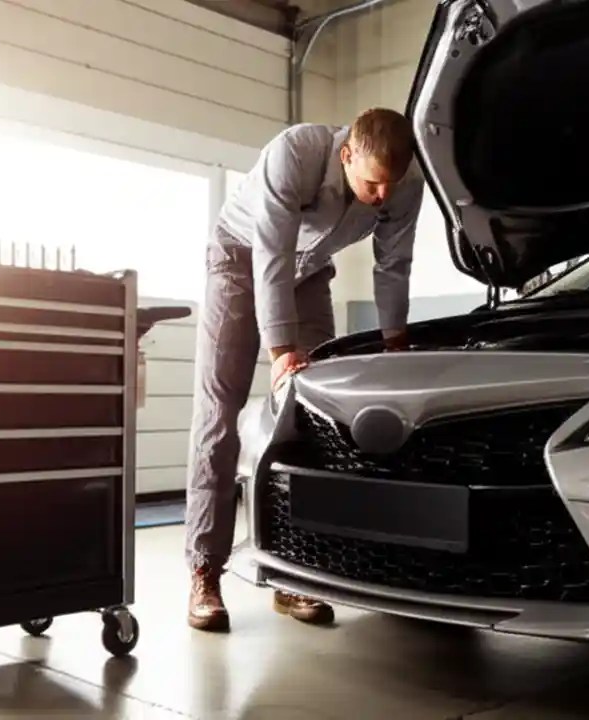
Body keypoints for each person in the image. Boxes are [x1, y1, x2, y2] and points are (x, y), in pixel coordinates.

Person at [184, 108, 425, 632]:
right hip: (240, 259)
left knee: (315, 416)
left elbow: (393, 264)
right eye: (371, 184)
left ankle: (297, 572)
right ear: (346, 156)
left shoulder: (405, 182)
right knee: (220, 412)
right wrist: (281, 352)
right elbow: (270, 252)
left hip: (309, 270)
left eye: (392, 184)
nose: (383, 196)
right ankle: (205, 570)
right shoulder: (296, 152)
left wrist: (395, 342)